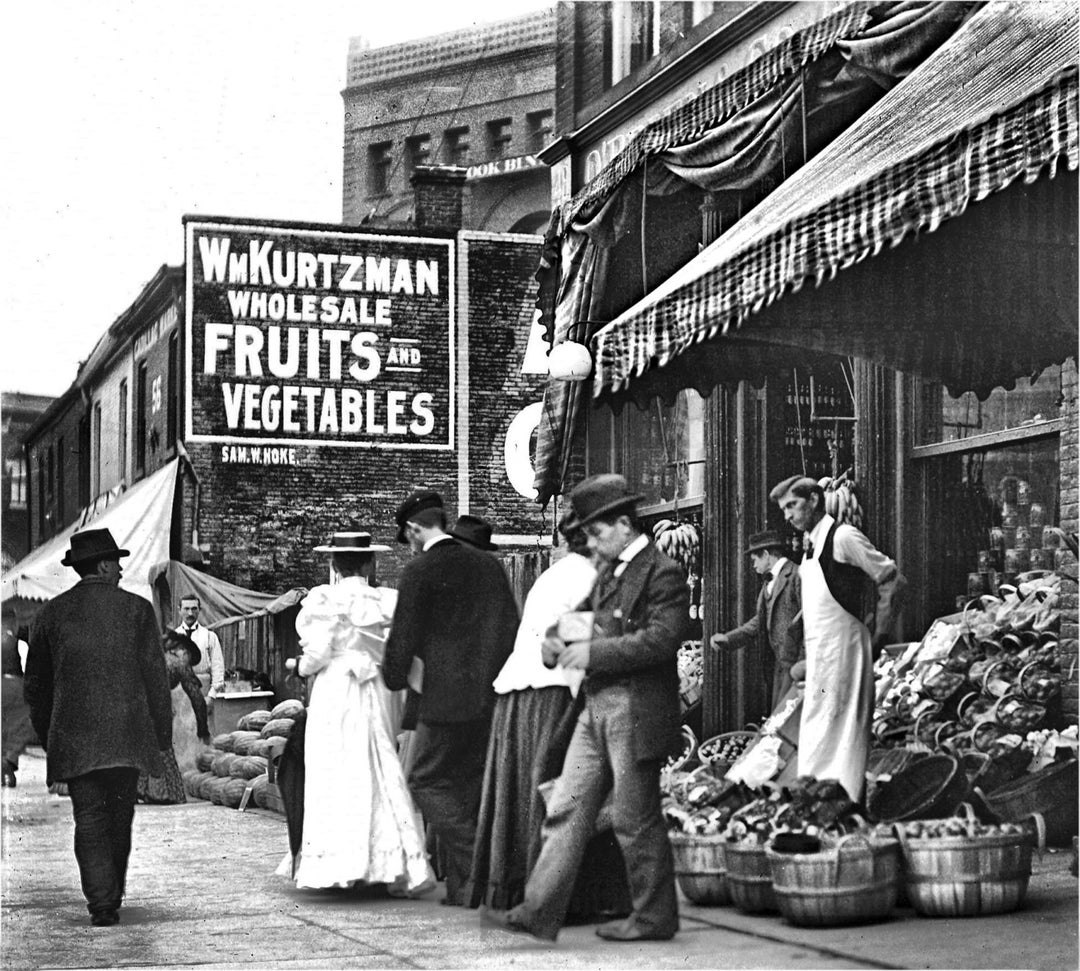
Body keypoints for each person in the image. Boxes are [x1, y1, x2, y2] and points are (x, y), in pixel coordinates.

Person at [490, 473, 687, 943]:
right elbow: (574, 622)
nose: (592, 543)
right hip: (597, 706)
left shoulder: (662, 571)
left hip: (635, 708)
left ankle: (653, 917)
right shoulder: (609, 573)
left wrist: (592, 652)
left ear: (624, 523)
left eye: (597, 532)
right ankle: (538, 910)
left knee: (634, 818)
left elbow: (662, 639)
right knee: (565, 805)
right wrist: (559, 641)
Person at [468, 512, 631, 919]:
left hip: (522, 695)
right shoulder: (585, 578)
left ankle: (519, 885)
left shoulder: (557, 574)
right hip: (553, 695)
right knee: (564, 790)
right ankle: (566, 896)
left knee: (533, 790)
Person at [24, 528, 172, 927]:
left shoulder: (50, 615)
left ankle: (101, 902)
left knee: (88, 817)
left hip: (75, 739)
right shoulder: (138, 611)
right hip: (127, 737)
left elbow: (36, 687)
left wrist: (49, 736)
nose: (122, 571)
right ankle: (112, 892)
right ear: (104, 565)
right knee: (120, 815)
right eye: (118, 563)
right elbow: (156, 681)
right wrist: (162, 738)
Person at [382, 490, 519, 906]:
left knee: (426, 780)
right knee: (471, 787)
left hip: (441, 703)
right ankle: (467, 889)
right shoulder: (489, 566)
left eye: (408, 537)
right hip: (490, 698)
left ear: (414, 529)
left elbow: (401, 641)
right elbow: (510, 630)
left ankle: (484, 865)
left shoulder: (419, 571)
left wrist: (393, 676)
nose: (410, 545)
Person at [278, 531, 432, 894]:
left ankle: (339, 865)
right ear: (369, 563)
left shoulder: (324, 601)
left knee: (334, 771)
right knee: (377, 765)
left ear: (333, 564)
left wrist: (297, 665)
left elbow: (317, 655)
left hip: (336, 691)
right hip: (374, 690)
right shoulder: (384, 601)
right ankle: (387, 863)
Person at [770, 474, 906, 802]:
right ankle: (817, 813)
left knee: (843, 743)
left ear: (814, 500)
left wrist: (877, 635)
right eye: (783, 509)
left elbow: (892, 580)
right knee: (817, 738)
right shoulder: (809, 549)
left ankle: (843, 811)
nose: (788, 515)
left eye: (793, 505)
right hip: (821, 660)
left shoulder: (843, 537)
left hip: (847, 654)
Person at [710, 529, 803, 710]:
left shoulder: (797, 575)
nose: (753, 565)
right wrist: (728, 638)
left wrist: (801, 665)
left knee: (786, 720)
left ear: (766, 555)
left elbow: (810, 620)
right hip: (777, 666)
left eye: (754, 559)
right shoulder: (767, 584)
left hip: (795, 665)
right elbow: (758, 622)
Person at [136, 631, 210, 804]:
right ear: (183, 650)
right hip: (156, 709)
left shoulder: (150, 654)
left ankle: (137, 791)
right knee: (162, 748)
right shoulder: (178, 663)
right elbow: (197, 698)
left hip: (133, 707)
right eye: (190, 658)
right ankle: (162, 793)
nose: (188, 663)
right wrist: (203, 728)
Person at [2, 605, 37, 788]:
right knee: (21, 723)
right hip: (16, 685)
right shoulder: (19, 641)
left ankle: (4, 759)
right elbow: (26, 666)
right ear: (13, 622)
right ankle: (10, 757)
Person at [176, 595, 225, 695]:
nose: (190, 613)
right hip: (179, 691)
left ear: (199, 610)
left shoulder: (209, 636)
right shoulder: (173, 638)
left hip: (203, 689)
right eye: (186, 609)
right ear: (179, 610)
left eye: (194, 609)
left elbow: (218, 668)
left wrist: (212, 695)